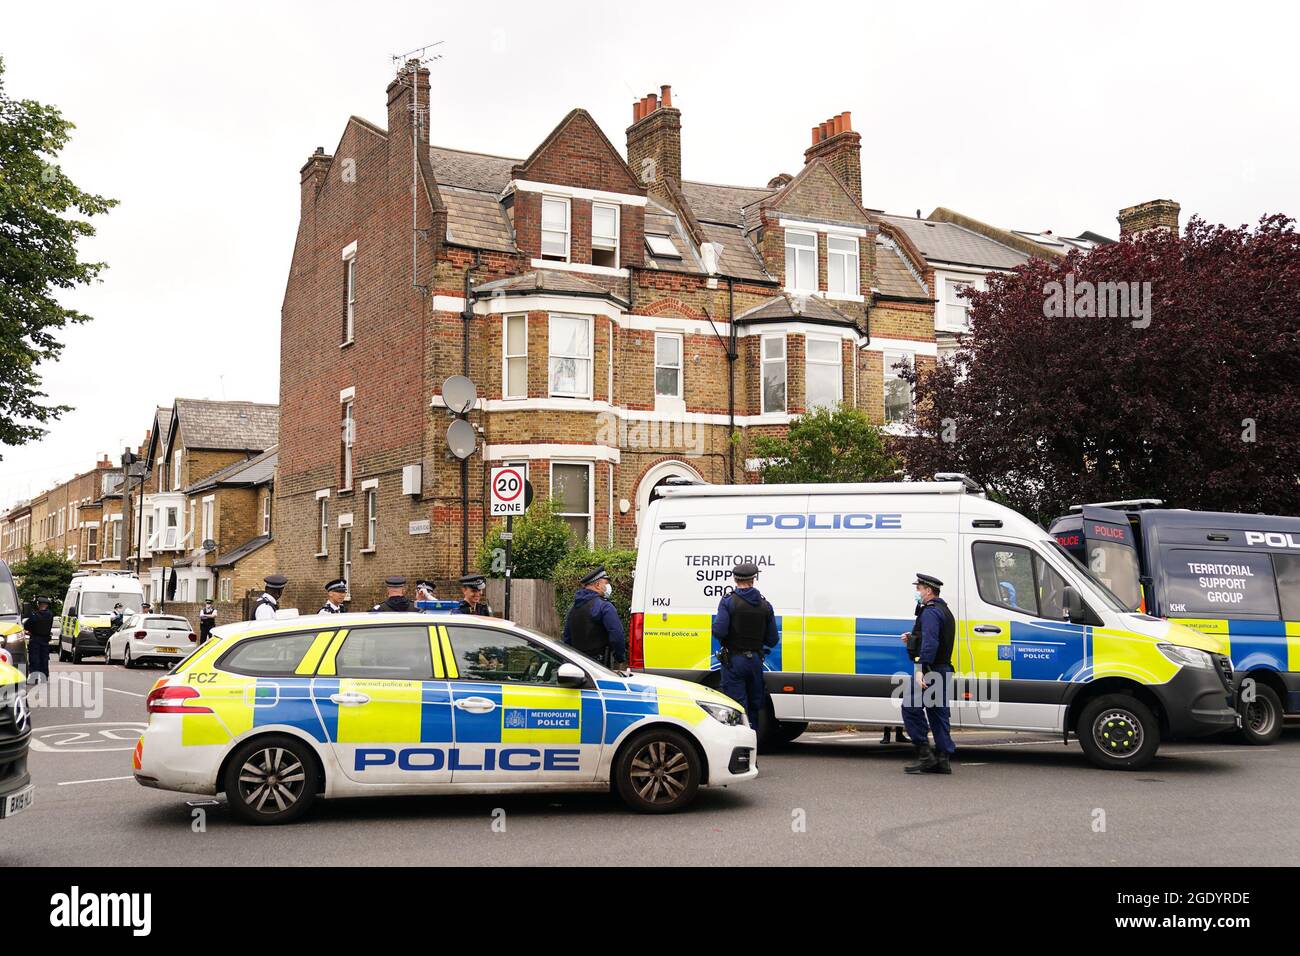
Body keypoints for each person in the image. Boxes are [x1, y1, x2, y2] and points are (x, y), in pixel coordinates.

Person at [898, 572, 957, 775]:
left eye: (919, 588)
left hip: (931, 670)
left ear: (928, 590)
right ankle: (943, 759)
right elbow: (932, 637)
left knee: (910, 707)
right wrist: (914, 638)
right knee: (938, 714)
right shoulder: (943, 610)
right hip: (942, 669)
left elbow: (931, 642)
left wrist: (920, 669)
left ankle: (925, 755)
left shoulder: (931, 612)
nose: (917, 592)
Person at [712, 562, 779, 729]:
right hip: (756, 661)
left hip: (734, 662)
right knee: (755, 706)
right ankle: (752, 743)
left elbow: (719, 631)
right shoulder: (765, 605)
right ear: (753, 580)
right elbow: (772, 640)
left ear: (735, 579)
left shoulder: (728, 601)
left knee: (735, 706)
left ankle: (739, 745)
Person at [562, 566, 625, 667]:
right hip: (600, 665)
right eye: (606, 583)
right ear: (597, 585)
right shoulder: (604, 606)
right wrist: (620, 658)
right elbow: (617, 634)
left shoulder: (573, 607)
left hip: (577, 664)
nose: (608, 586)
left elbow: (567, 637)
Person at [22, 596, 54, 684]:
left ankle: (34, 678)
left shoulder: (35, 615)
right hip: (45, 640)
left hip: (35, 639)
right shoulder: (50, 615)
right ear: (46, 606)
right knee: (44, 659)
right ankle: (45, 677)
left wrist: (31, 630)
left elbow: (26, 625)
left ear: (39, 605)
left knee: (35, 659)